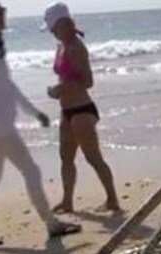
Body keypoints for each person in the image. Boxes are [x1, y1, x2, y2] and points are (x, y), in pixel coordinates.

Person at [0, 0, 80, 249]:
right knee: (30, 171)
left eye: (2, 10)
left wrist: (33, 112)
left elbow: (8, 87)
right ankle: (51, 224)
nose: (1, 14)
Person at [44, 2, 120, 214]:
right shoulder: (61, 46)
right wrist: (59, 90)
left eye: (53, 28)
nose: (51, 33)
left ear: (62, 24)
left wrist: (60, 89)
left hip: (82, 109)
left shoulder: (76, 47)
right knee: (66, 158)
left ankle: (112, 199)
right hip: (67, 110)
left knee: (93, 157)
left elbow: (87, 81)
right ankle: (67, 201)